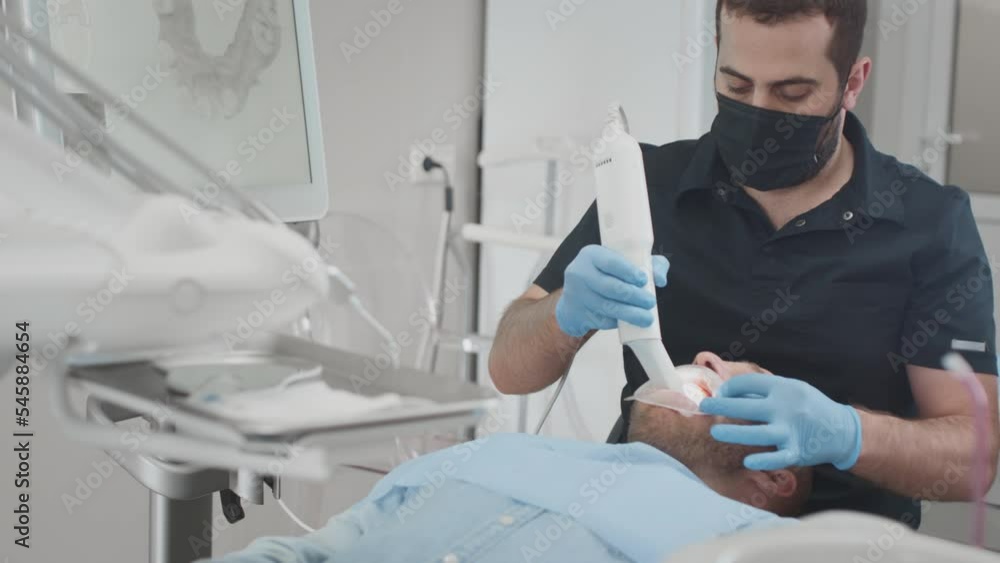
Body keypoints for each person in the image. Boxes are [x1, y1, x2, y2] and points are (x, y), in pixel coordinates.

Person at [488, 0, 1000, 528]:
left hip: (834, 542)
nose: (758, 110)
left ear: (852, 82)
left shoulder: (928, 224)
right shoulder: (652, 185)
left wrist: (847, 433)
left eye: (791, 92)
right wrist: (563, 314)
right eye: (736, 85)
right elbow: (508, 368)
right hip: (632, 517)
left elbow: (973, 460)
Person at [205, 353, 810, 563]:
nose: (707, 362)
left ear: (777, 476)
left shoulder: (750, 541)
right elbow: (321, 550)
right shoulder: (504, 454)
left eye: (742, 378)